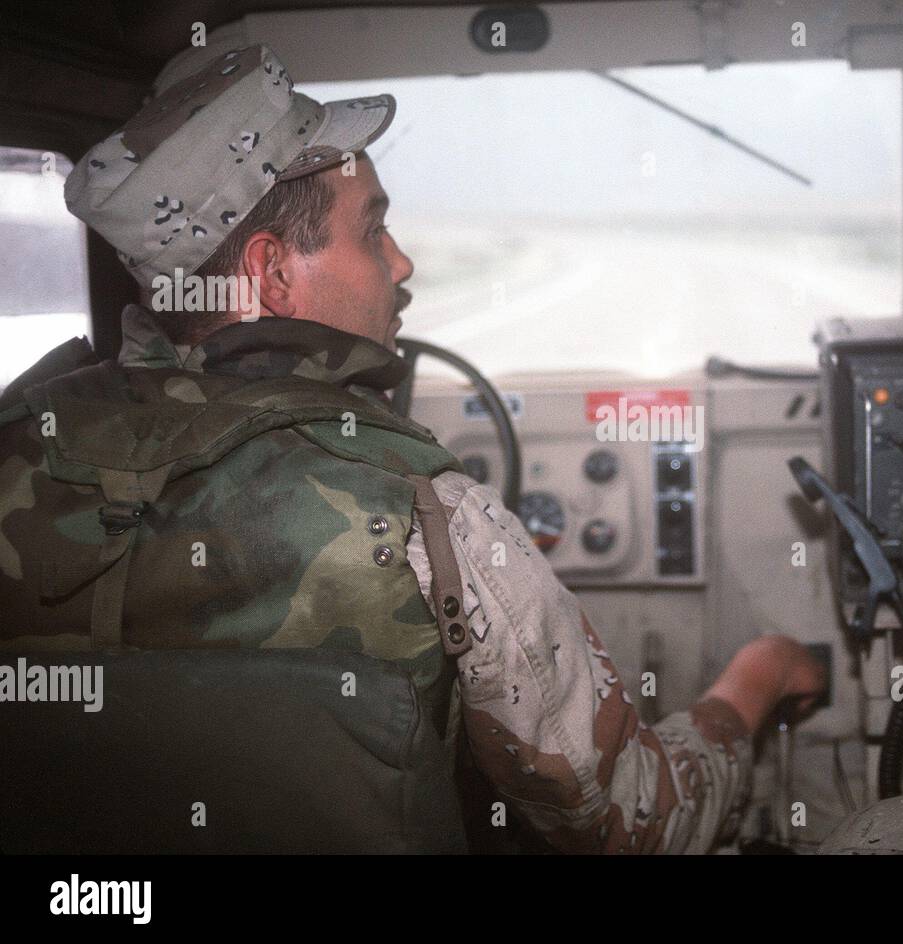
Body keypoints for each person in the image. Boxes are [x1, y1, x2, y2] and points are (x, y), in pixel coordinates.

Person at [0, 44, 825, 853]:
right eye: (374, 230)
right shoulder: (430, 514)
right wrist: (752, 682)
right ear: (271, 273)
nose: (402, 262)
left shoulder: (15, 443)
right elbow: (635, 822)